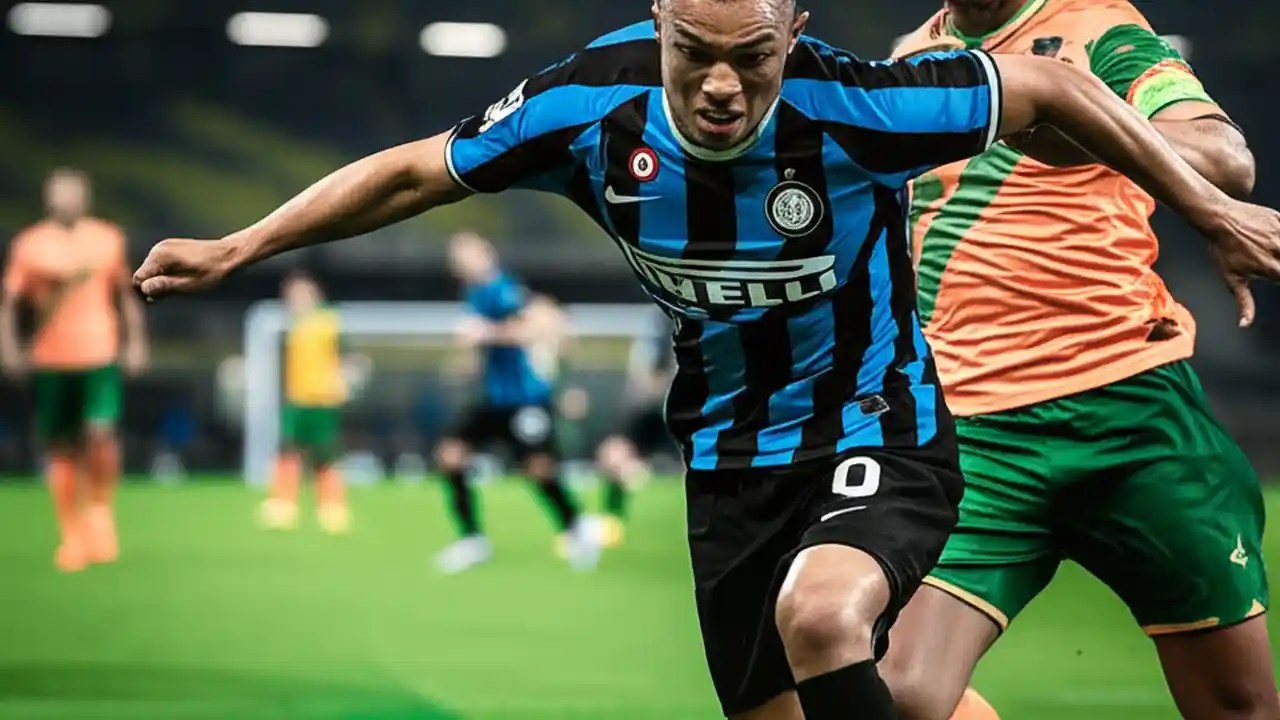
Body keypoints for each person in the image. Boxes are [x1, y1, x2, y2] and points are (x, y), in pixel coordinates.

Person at [132, 0, 1280, 716]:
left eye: (750, 55)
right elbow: (413, 171)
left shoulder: (861, 98)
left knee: (825, 619)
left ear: (791, 32)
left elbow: (1056, 84)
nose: (721, 85)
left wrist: (1207, 209)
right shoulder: (589, 103)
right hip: (731, 458)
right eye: (692, 53)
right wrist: (244, 242)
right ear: (657, 27)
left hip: (887, 428)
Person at [878, 2, 1279, 719]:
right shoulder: (910, 68)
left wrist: (1077, 122)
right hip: (974, 433)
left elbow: (1225, 157)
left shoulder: (1101, 28)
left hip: (1132, 409)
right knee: (895, 698)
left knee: (1236, 703)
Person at [1, 168, 148, 572]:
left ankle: (100, 511)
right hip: (50, 357)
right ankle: (71, 532)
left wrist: (135, 342)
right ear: (48, 199)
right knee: (61, 446)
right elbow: (11, 303)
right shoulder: (29, 245)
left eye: (73, 193)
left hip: (98, 352)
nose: (66, 200)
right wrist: (9, 346)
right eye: (59, 194)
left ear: (86, 197)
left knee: (100, 432)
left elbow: (125, 296)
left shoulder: (108, 239)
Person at [433, 232, 599, 574]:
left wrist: (486, 333)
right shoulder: (474, 294)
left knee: (538, 470)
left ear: (486, 253)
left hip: (525, 399)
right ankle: (472, 539)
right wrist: (469, 363)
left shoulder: (504, 288)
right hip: (494, 400)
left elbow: (531, 330)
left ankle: (577, 526)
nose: (461, 262)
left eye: (467, 254)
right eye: (456, 257)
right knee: (450, 456)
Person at [260, 270, 351, 535]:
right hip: (296, 399)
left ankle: (332, 508)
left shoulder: (329, 321)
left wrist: (342, 380)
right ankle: (282, 506)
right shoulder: (288, 325)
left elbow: (344, 356)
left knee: (325, 454)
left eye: (300, 294)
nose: (295, 300)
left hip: (323, 399)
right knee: (288, 449)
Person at [594, 306, 677, 547]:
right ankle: (613, 520)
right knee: (612, 455)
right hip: (649, 407)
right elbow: (642, 373)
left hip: (683, 408)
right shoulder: (655, 325)